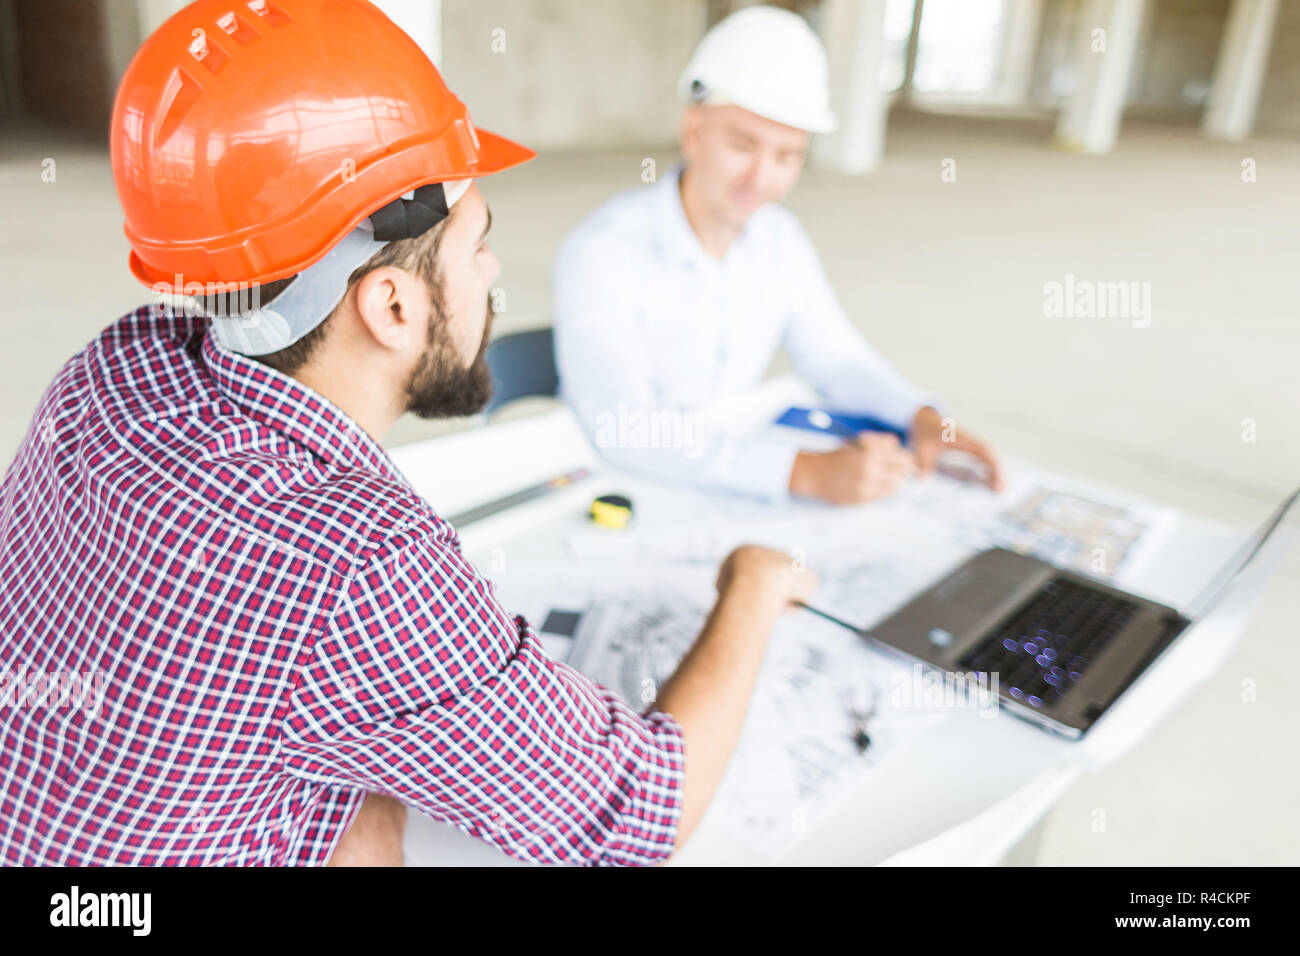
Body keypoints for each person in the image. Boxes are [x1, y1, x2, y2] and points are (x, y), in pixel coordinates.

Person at [0, 0, 814, 867]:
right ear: (391, 306)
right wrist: (753, 588)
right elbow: (636, 812)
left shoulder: (116, 364)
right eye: (476, 246)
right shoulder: (363, 561)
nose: (495, 272)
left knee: (366, 801)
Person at [554, 5, 1003, 505]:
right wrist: (805, 472)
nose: (762, 178)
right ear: (694, 132)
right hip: (625, 489)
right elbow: (625, 428)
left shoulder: (780, 239)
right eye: (744, 145)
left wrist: (920, 418)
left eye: (787, 156)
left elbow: (833, 356)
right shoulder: (603, 251)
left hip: (733, 478)